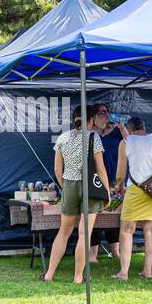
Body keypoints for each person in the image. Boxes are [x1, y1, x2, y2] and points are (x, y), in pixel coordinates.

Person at [43, 109, 112, 284]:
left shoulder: (63, 138)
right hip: (90, 187)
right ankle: (78, 276)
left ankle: (49, 274)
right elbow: (101, 168)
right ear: (90, 119)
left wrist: (64, 186)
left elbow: (58, 169)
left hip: (69, 184)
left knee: (63, 232)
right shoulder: (93, 137)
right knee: (84, 233)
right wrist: (107, 192)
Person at [112, 117, 152, 281]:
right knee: (151, 231)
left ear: (130, 130)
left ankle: (124, 272)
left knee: (126, 230)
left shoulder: (126, 142)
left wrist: (118, 186)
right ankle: (148, 271)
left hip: (135, 189)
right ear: (144, 127)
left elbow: (120, 174)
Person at [88, 103, 126, 263]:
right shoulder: (89, 133)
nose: (106, 114)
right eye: (102, 112)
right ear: (94, 116)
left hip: (114, 178)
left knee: (115, 213)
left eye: (107, 111)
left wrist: (122, 127)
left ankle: (115, 251)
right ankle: (92, 254)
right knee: (94, 213)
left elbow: (131, 143)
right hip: (95, 178)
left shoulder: (117, 132)